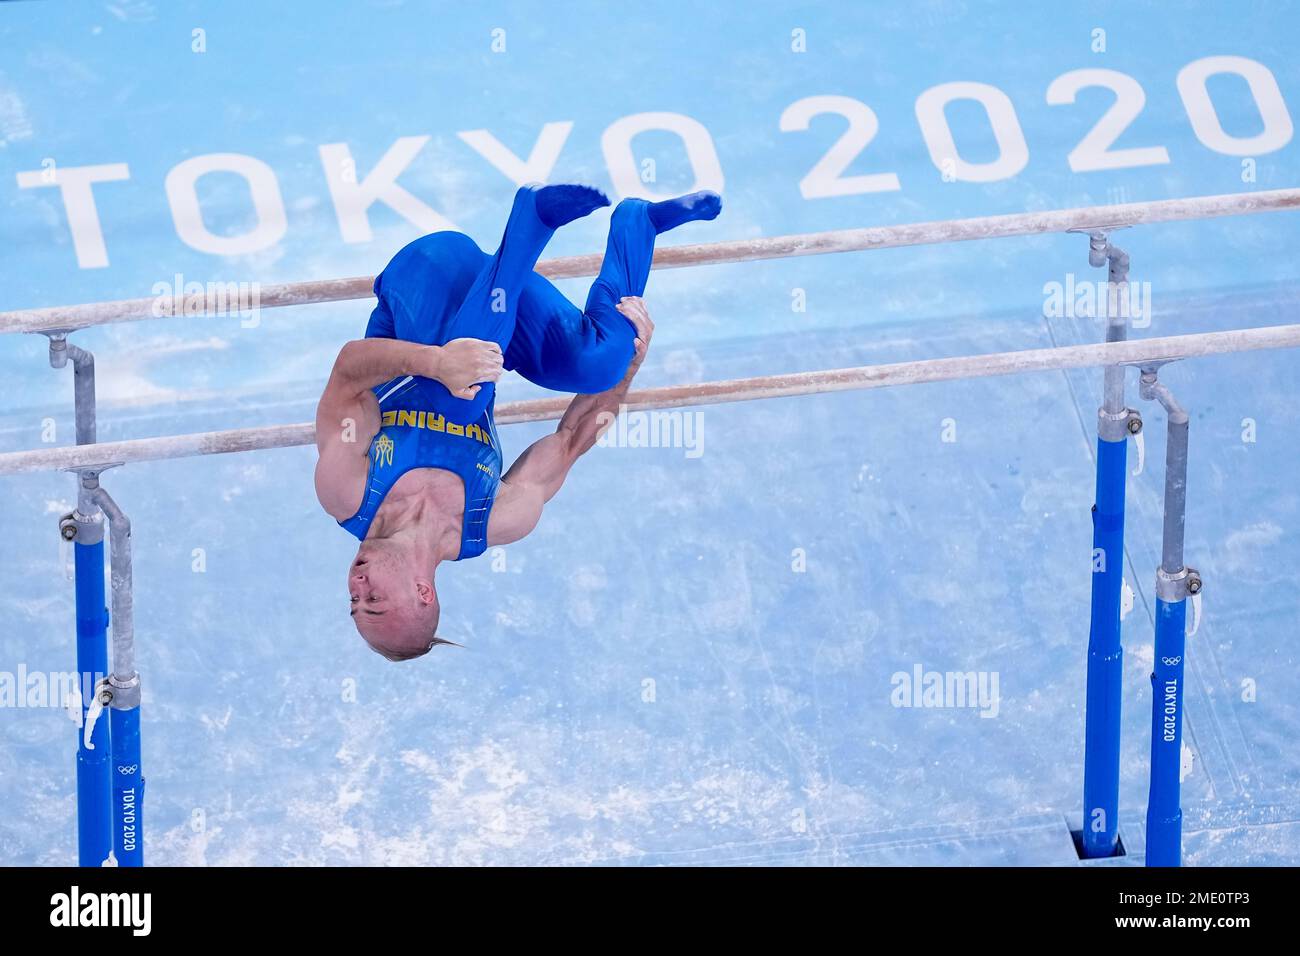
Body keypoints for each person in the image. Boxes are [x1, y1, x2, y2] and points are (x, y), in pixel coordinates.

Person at [313, 183, 721, 660]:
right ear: (424, 591)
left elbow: (347, 370)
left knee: (458, 397)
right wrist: (632, 359)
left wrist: (434, 363)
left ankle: (534, 219)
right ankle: (638, 225)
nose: (357, 586)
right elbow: (572, 437)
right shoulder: (497, 519)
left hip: (424, 275)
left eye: (353, 601)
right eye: (374, 601)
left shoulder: (348, 492)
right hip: (493, 306)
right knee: (601, 363)